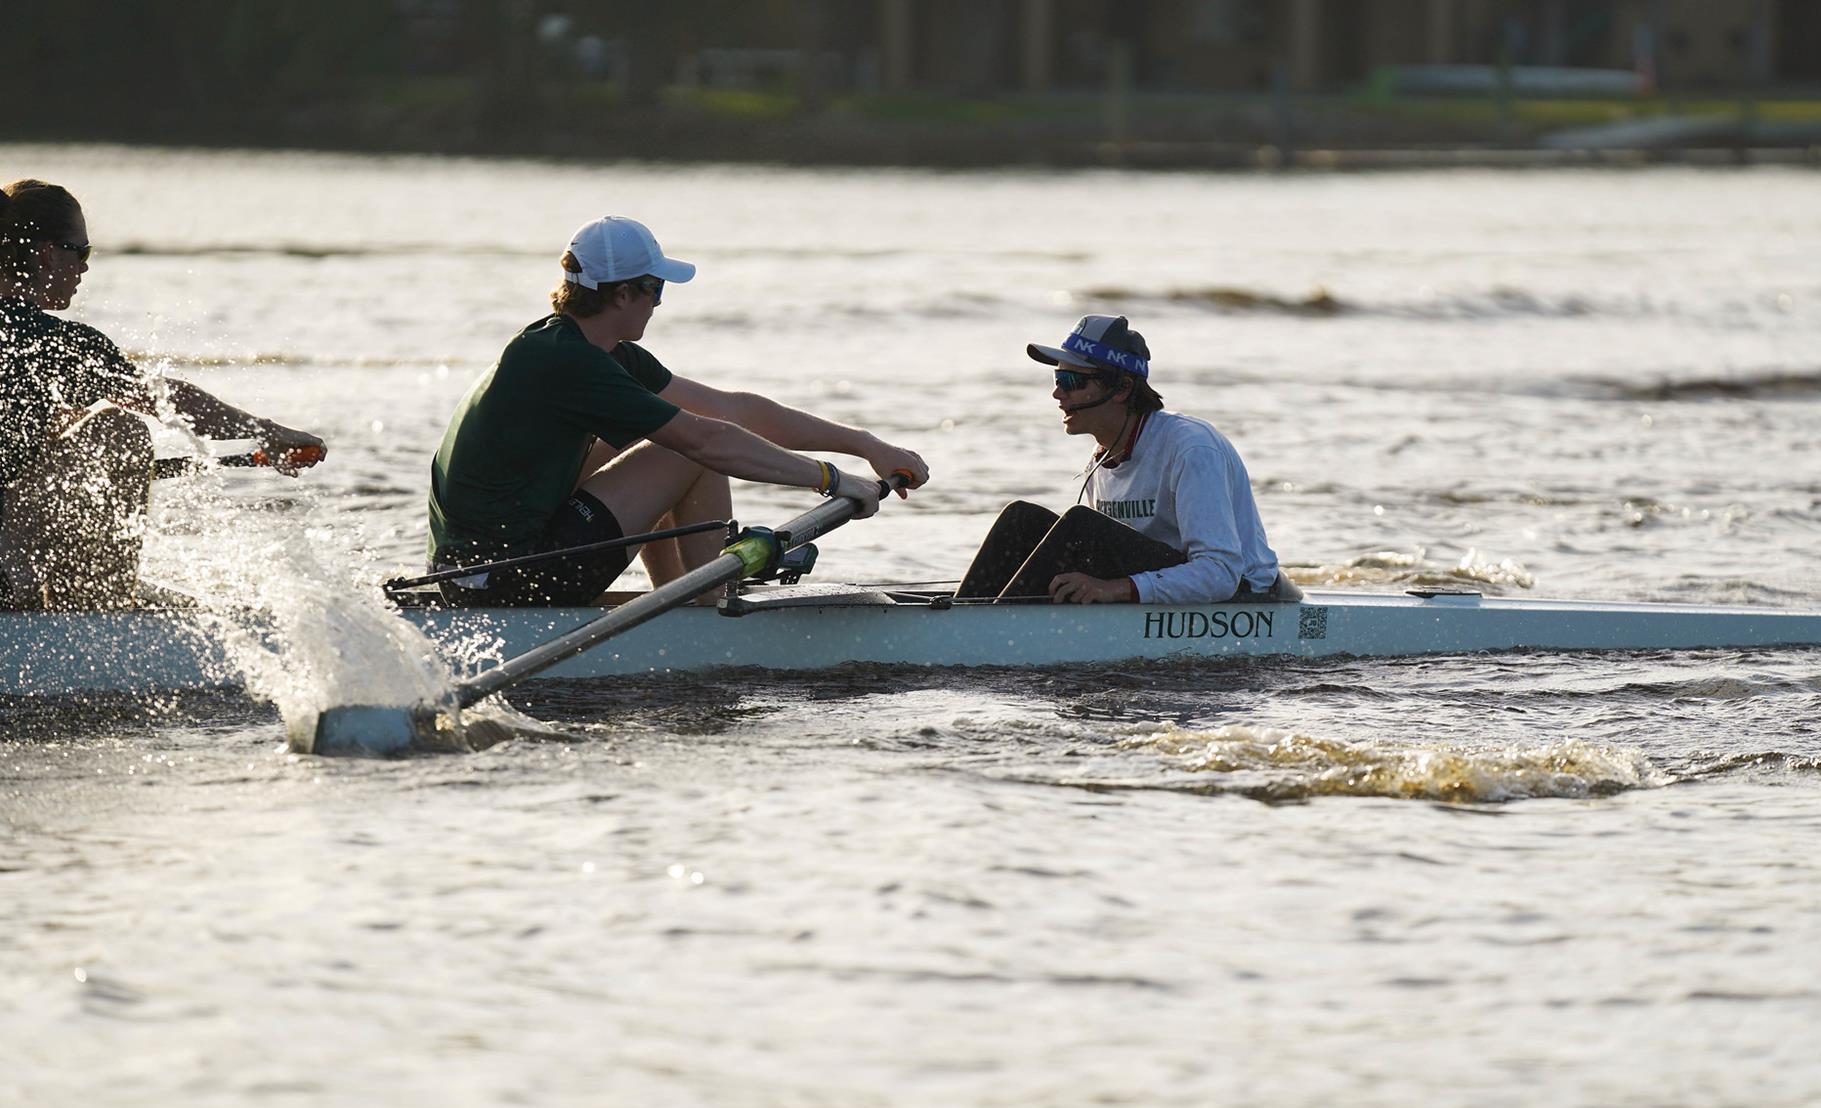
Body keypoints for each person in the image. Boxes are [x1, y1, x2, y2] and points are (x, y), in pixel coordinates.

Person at [426, 215, 928, 607]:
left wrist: (867, 444)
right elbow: (708, 440)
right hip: (502, 584)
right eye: (655, 290)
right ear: (623, 293)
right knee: (689, 448)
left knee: (660, 437)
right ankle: (706, 605)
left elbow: (735, 409)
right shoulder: (567, 361)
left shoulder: (590, 351)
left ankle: (681, 599)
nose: (658, 305)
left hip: (494, 570)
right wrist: (835, 481)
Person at [0, 179, 327, 610]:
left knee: (65, 430)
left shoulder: (39, 348)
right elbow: (162, 398)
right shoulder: (54, 341)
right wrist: (262, 432)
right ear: (45, 254)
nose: (83, 268)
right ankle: (96, 617)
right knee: (120, 432)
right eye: (80, 252)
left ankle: (69, 607)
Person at [957, 313, 1296, 605]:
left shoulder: (1192, 448)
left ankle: (985, 629)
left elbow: (1220, 572)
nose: (1058, 393)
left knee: (1080, 526)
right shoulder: (1101, 458)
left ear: (1121, 389)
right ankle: (968, 611)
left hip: (1245, 596)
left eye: (1072, 381)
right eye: (1058, 379)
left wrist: (1116, 589)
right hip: (1169, 584)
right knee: (1022, 519)